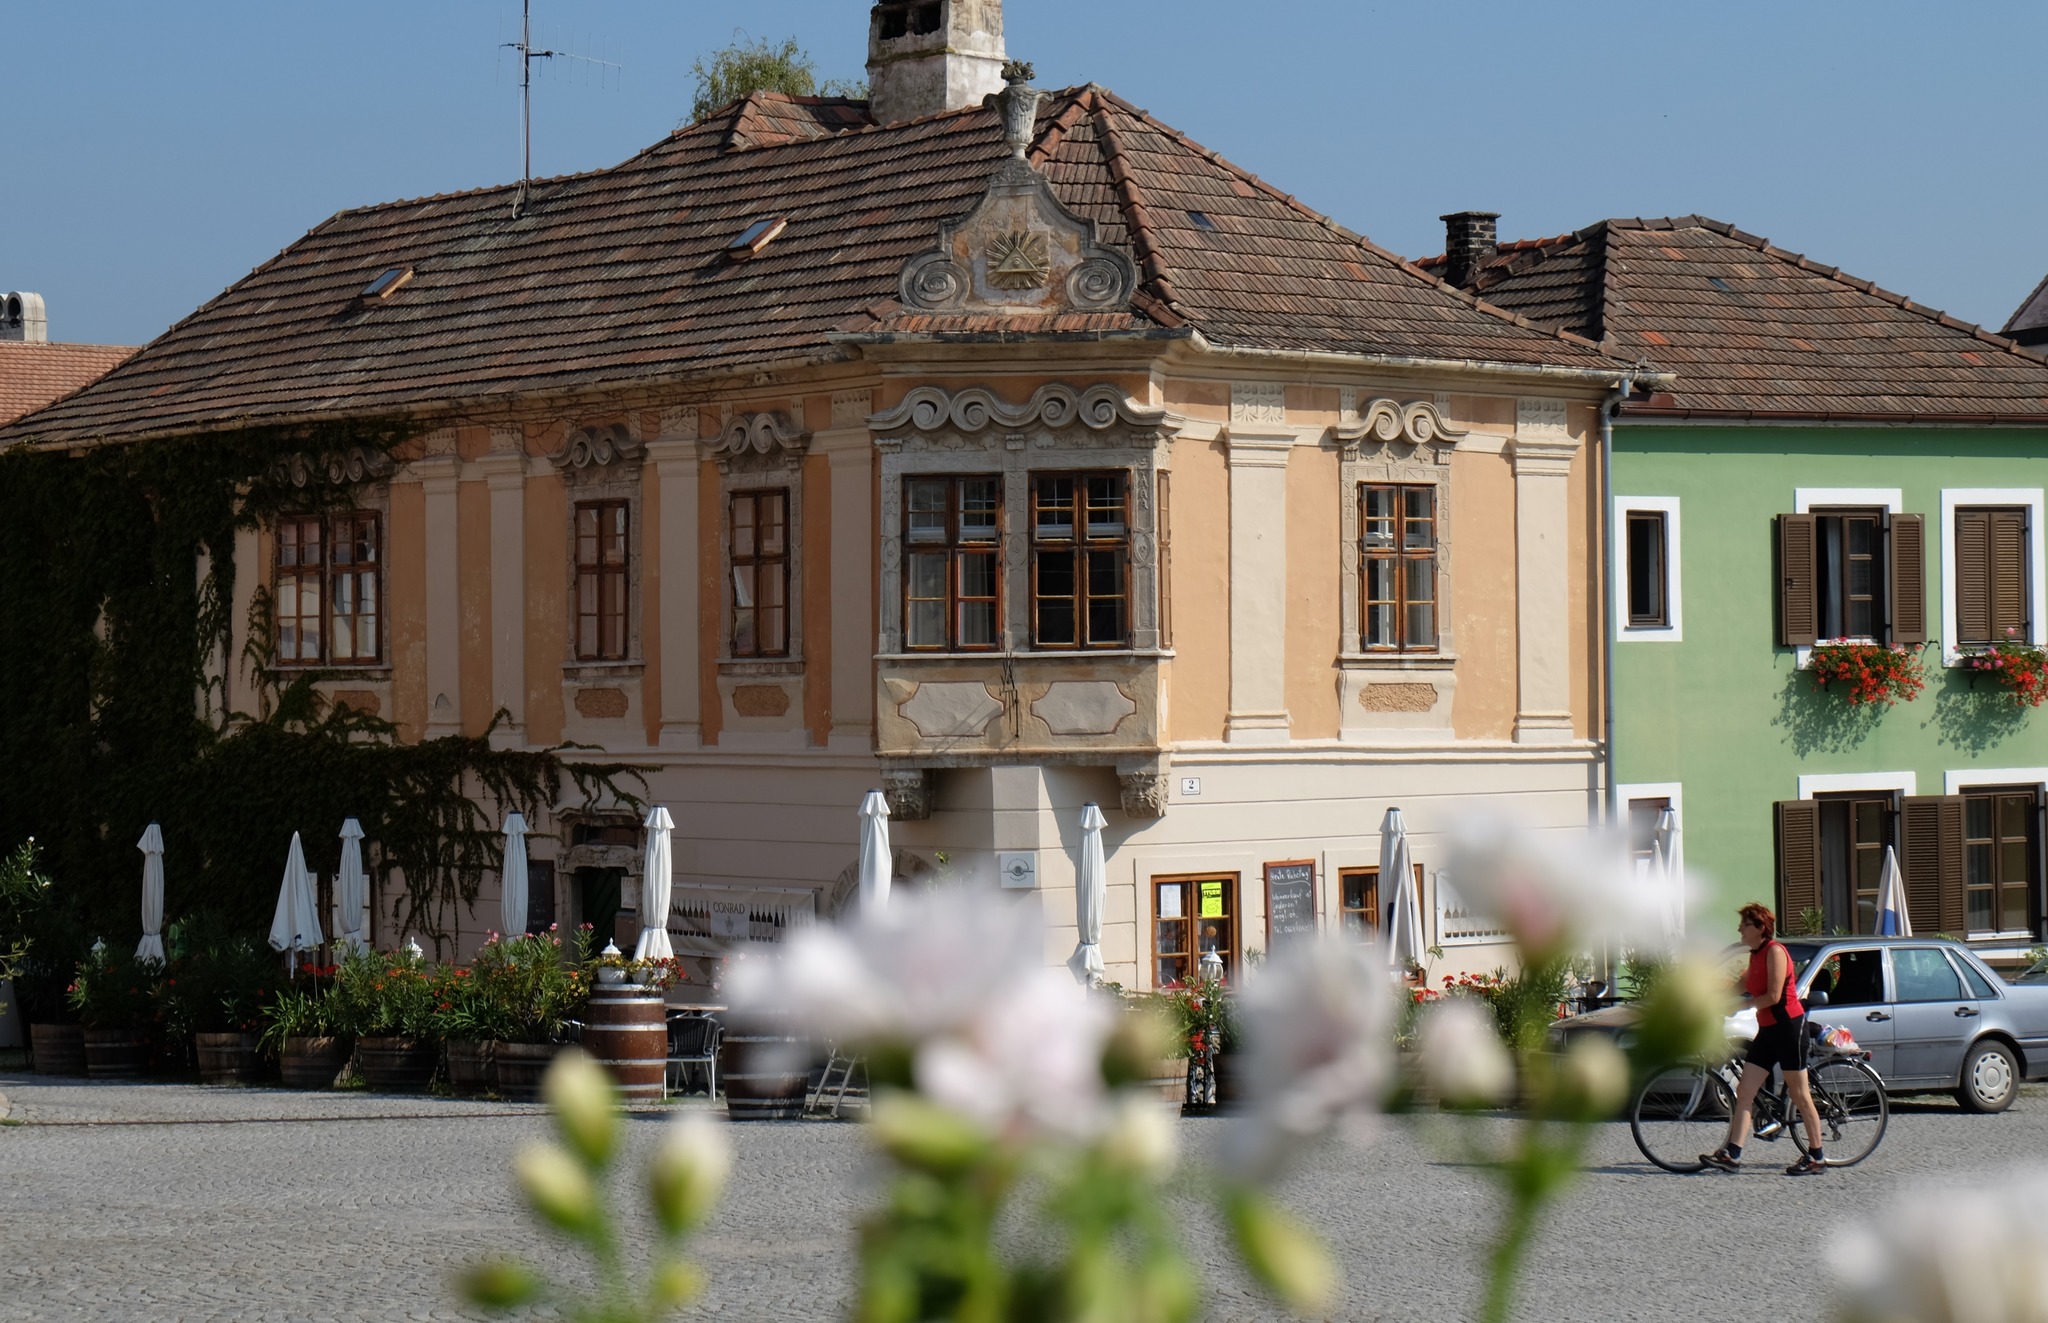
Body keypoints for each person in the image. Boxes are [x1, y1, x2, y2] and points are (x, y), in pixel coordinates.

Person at [1701, 902, 1827, 1176]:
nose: (1739, 929)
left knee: (1800, 1094)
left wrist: (1741, 1006)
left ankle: (1817, 1156)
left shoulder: (1775, 952)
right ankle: (1733, 1154)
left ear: (1760, 927)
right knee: (1745, 1092)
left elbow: (1773, 996)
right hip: (1768, 1030)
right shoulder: (1756, 954)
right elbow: (1741, 985)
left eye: (1744, 924)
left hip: (1789, 1028)